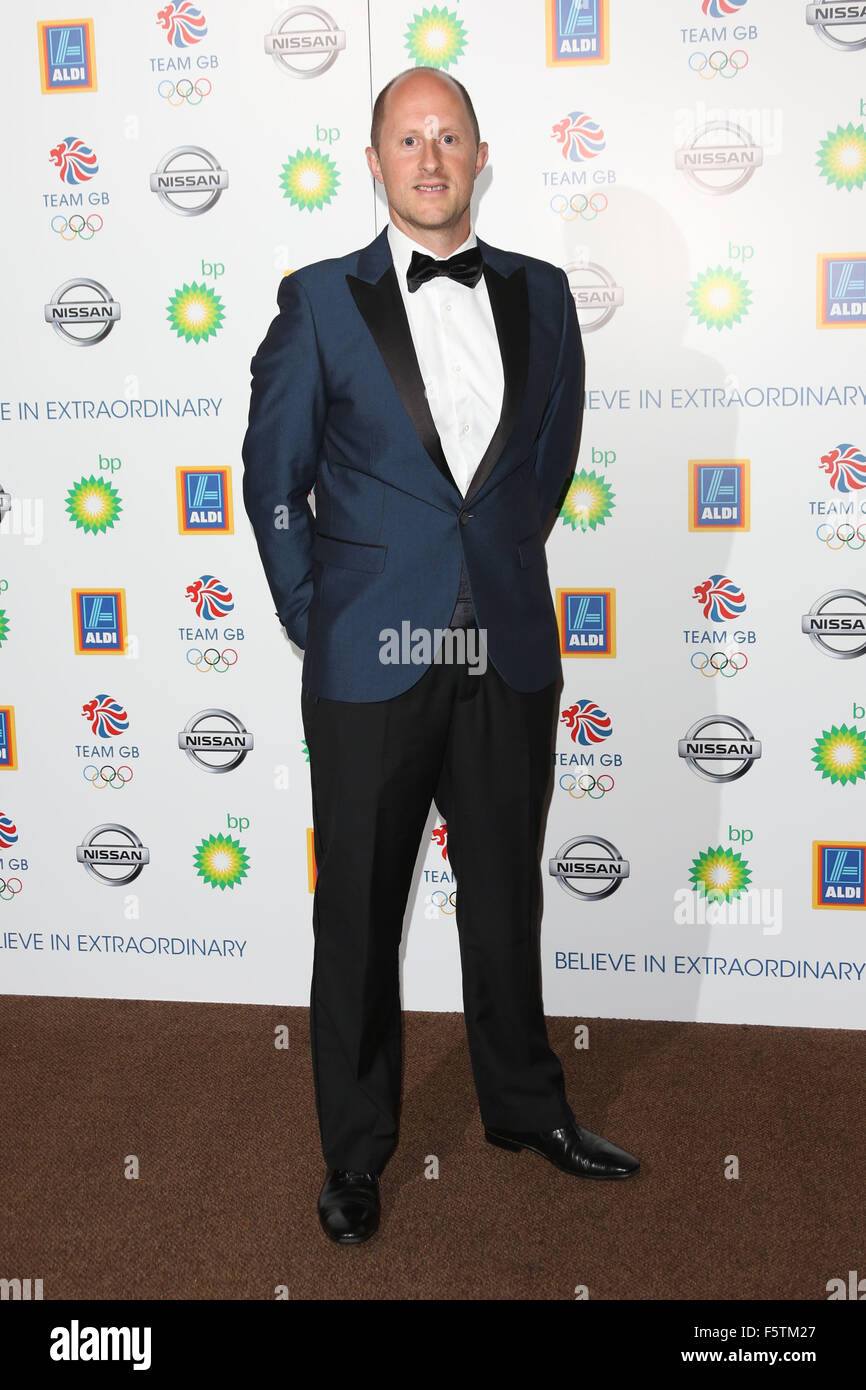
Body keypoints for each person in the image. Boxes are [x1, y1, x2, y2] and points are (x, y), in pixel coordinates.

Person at [241, 65, 639, 1247]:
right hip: (369, 659)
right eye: (406, 138)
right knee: (358, 915)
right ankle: (355, 1153)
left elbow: (540, 472)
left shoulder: (545, 296)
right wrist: (322, 615)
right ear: (373, 162)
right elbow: (271, 482)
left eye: (448, 135)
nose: (428, 157)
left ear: (479, 156)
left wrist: (495, 579)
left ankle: (523, 1105)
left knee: (504, 896)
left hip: (504, 646)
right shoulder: (318, 301)